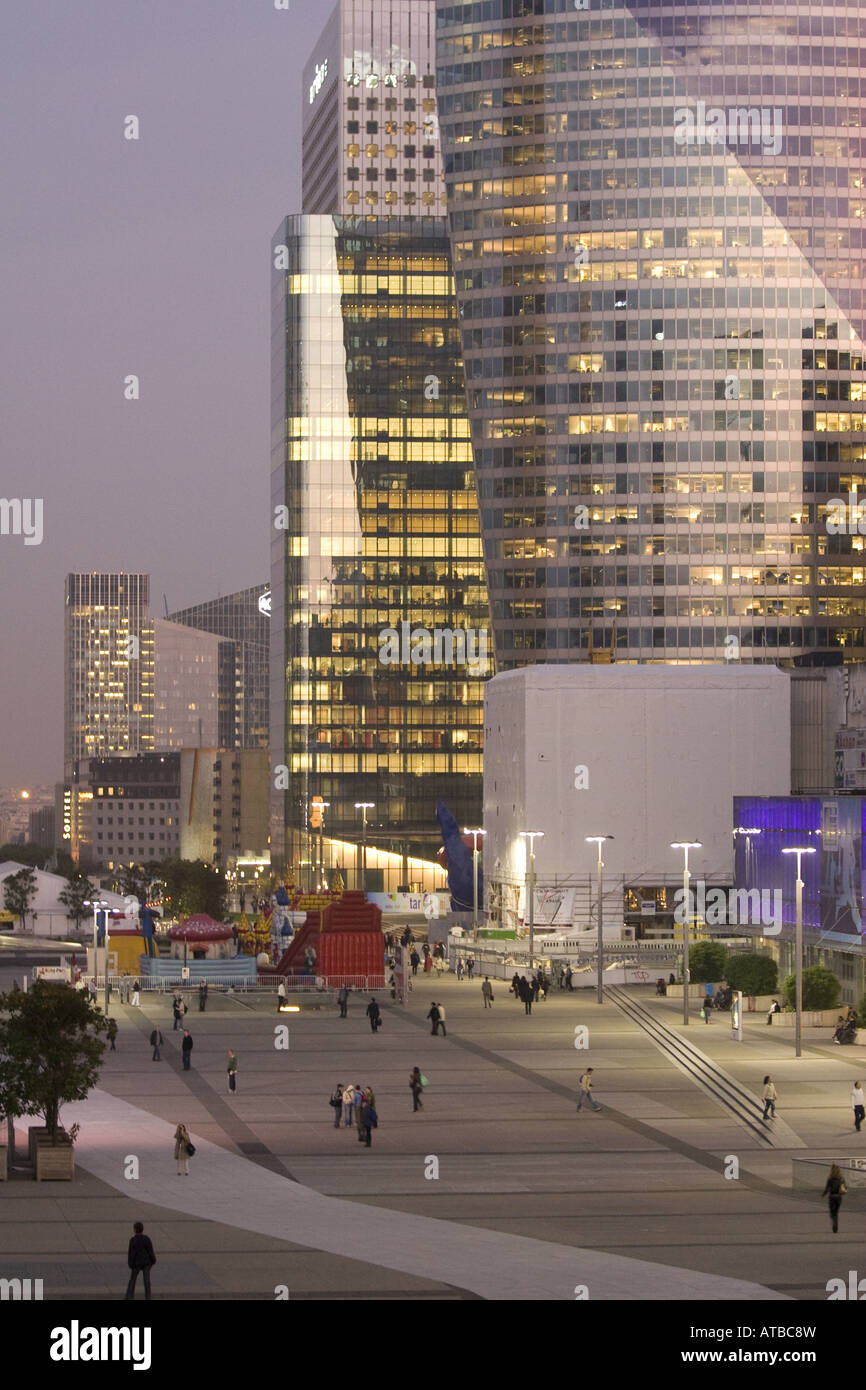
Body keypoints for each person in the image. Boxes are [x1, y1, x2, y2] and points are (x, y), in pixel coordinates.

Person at [125, 1221, 156, 1300]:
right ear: (142, 1229)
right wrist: (153, 1260)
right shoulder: (146, 1238)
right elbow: (150, 1251)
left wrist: (130, 1264)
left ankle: (129, 1297)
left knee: (132, 1280)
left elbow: (131, 1253)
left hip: (136, 1263)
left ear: (135, 1230)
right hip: (146, 1263)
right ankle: (148, 1297)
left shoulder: (133, 1240)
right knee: (147, 1281)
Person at [823, 1163, 846, 1233]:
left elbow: (827, 1189)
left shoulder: (830, 1179)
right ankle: (835, 1225)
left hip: (832, 1197)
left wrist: (823, 1194)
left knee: (832, 1212)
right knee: (836, 1212)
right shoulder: (841, 1178)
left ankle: (834, 1222)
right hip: (839, 1197)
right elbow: (845, 1188)